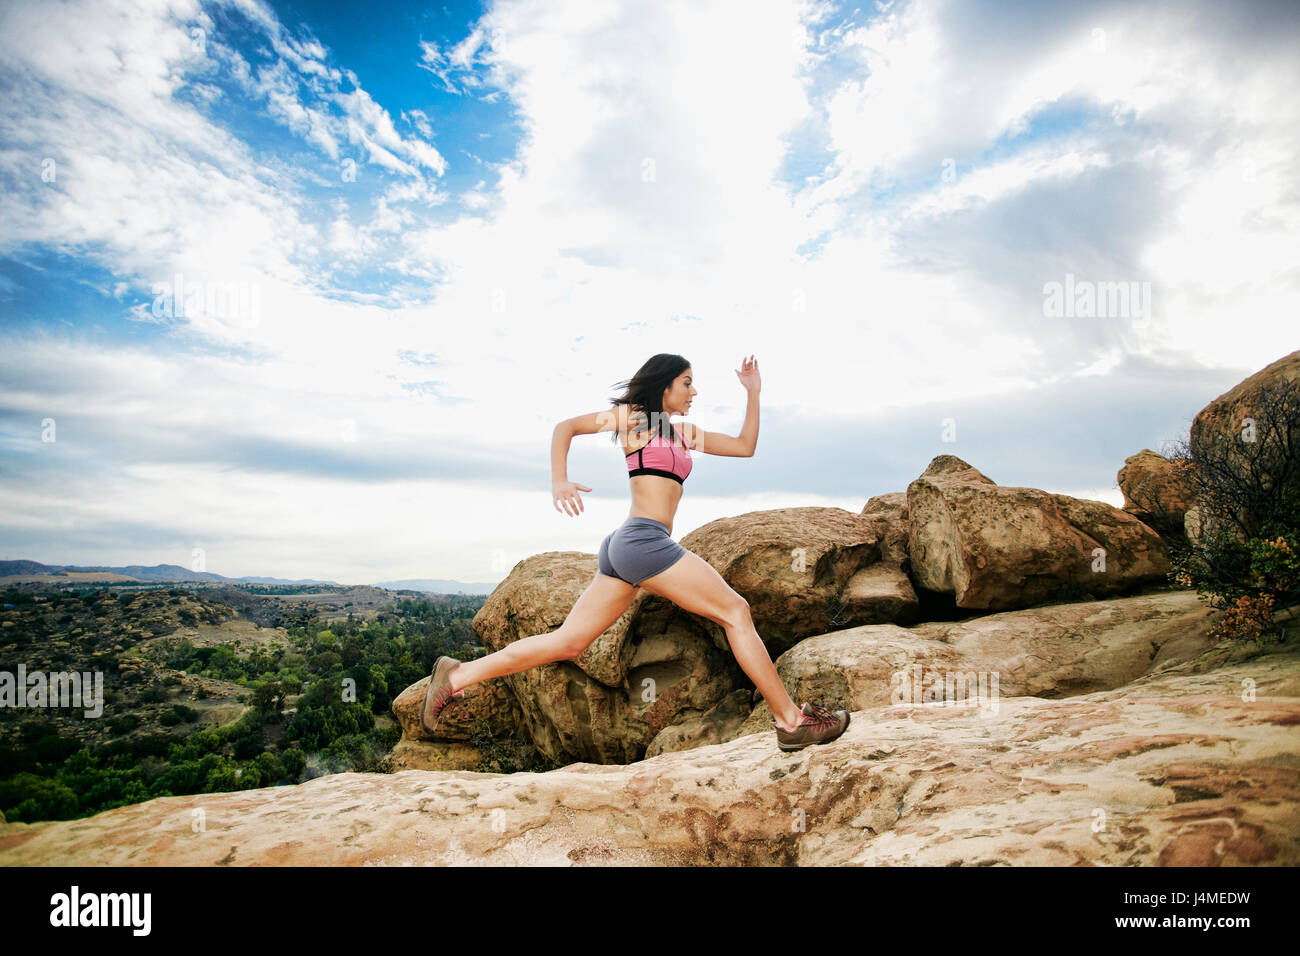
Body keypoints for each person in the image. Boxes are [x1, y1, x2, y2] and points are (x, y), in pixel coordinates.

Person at [422, 353, 849, 752]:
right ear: (664, 386)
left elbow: (744, 446)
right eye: (687, 383)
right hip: (643, 542)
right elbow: (565, 428)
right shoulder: (633, 419)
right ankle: (791, 722)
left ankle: (459, 675)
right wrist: (560, 481)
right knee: (735, 611)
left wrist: (753, 392)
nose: (694, 392)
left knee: (569, 643)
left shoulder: (684, 433)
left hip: (629, 547)